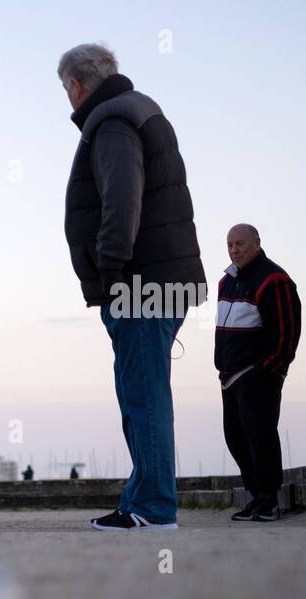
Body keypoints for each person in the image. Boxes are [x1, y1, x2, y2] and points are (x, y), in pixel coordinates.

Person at [58, 43, 205, 532]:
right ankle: (140, 499)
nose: (67, 98)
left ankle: (154, 509)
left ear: (77, 85)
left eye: (65, 89)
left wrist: (112, 272)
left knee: (143, 396)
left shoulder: (113, 122)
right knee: (141, 392)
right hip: (155, 277)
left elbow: (122, 202)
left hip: (140, 281)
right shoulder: (135, 112)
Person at [216, 224, 301, 522]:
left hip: (257, 377)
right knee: (235, 437)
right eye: (230, 244)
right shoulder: (225, 282)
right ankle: (256, 496)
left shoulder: (274, 279)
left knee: (260, 436)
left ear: (257, 243)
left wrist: (268, 370)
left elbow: (286, 329)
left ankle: (270, 500)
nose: (235, 249)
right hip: (229, 376)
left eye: (240, 243)